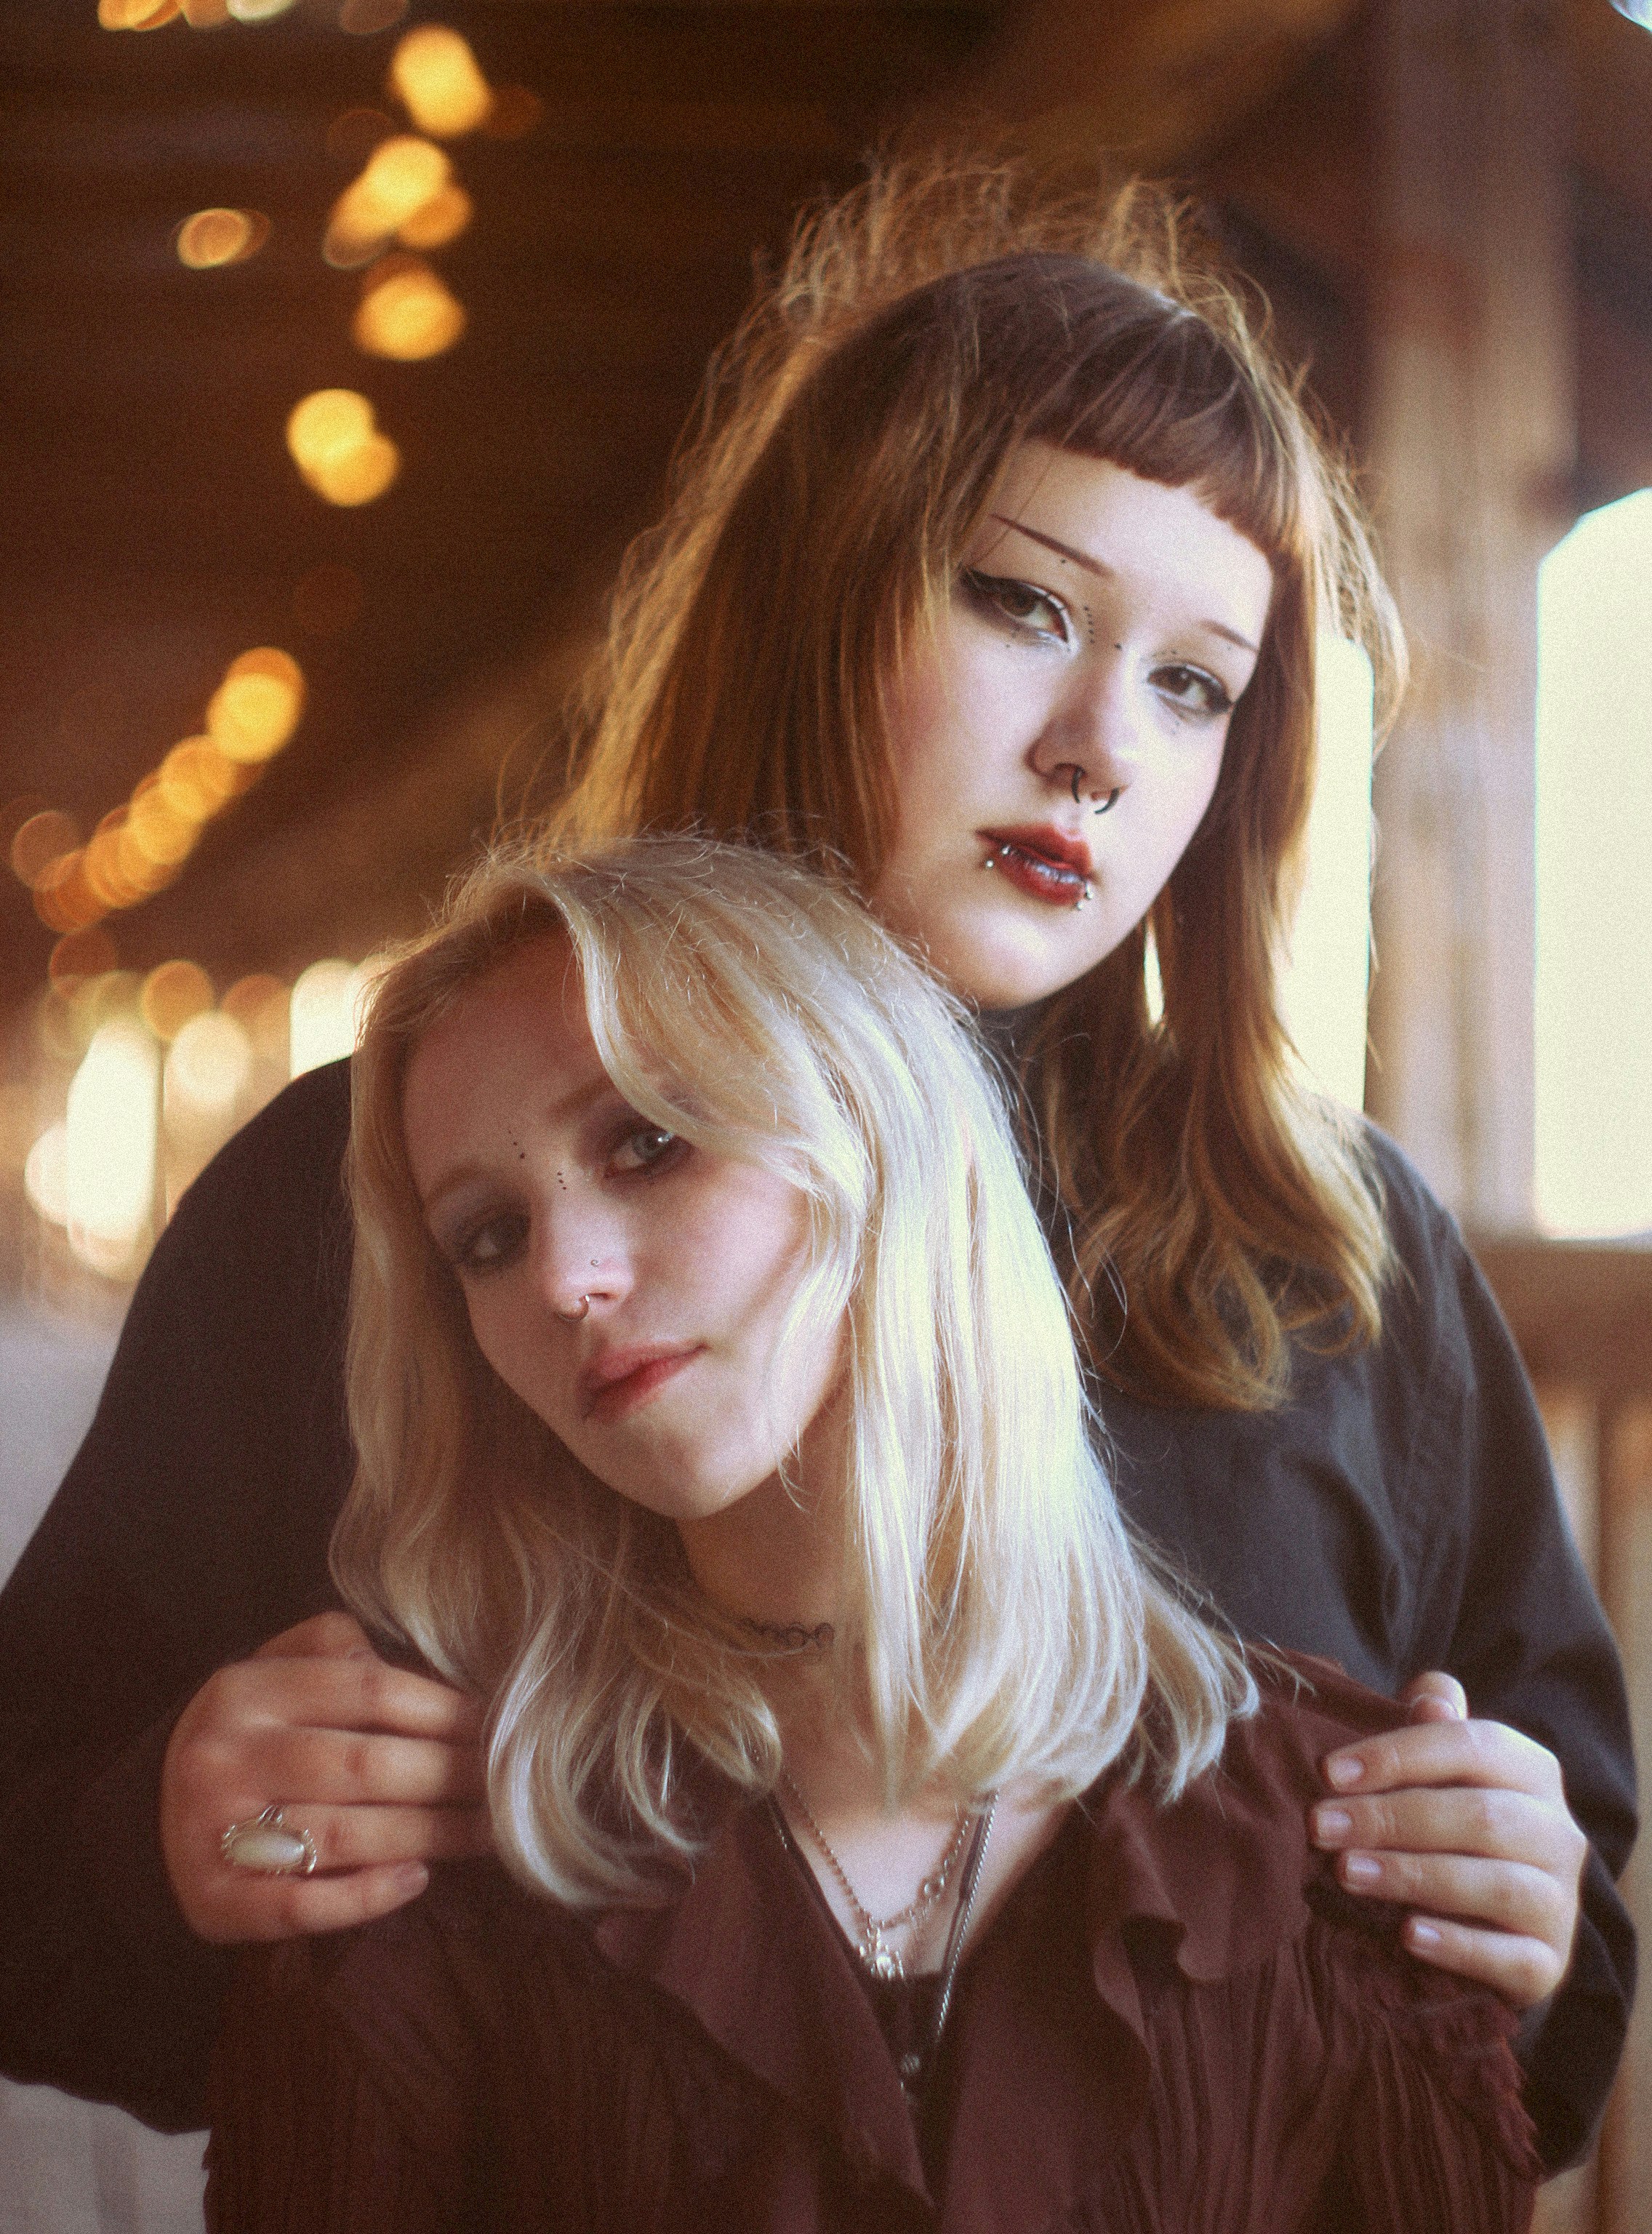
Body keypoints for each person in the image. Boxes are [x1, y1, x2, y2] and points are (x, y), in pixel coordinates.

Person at [0, 161, 1631, 2169]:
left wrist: (1536, 1920)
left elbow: (1553, 1987)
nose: (1102, 741)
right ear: (820, 590)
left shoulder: (1334, 1255)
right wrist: (163, 1828)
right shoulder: (371, 1196)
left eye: (1197, 684)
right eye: (1024, 603)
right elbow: (31, 1881)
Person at [204, 834, 1539, 2231]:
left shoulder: (1342, 1840)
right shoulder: (423, 1893)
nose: (566, 1278)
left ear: (885, 1136)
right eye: (486, 1235)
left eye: (650, 1142)